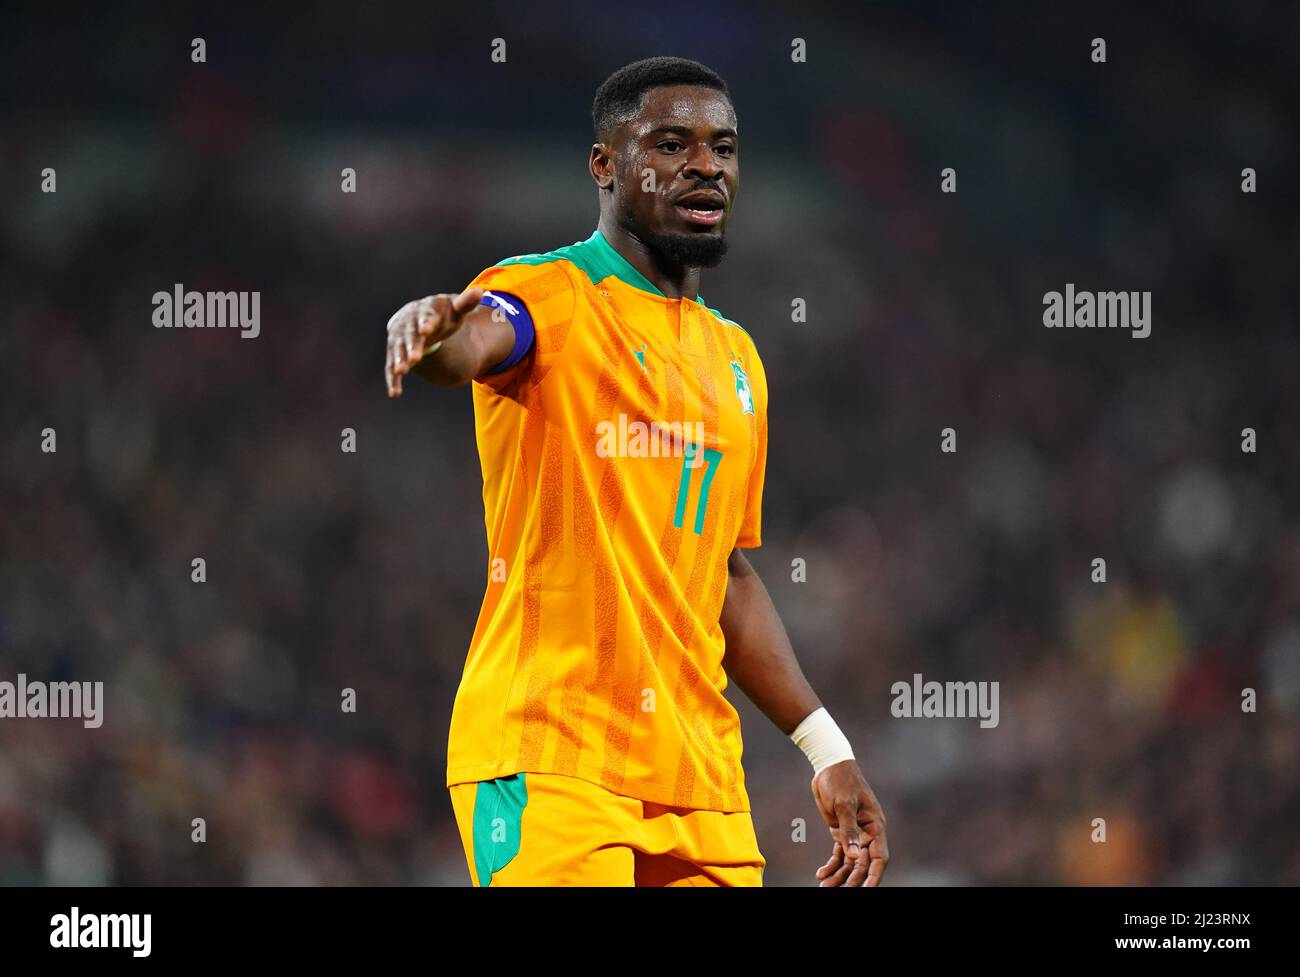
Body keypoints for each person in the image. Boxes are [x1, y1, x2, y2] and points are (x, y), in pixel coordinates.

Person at [384, 56, 888, 886]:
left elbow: (725, 573)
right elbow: (473, 340)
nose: (706, 166)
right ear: (604, 165)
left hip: (701, 781)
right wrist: (432, 329)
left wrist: (824, 745)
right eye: (671, 143)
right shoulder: (548, 295)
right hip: (551, 755)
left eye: (724, 148)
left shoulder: (737, 361)